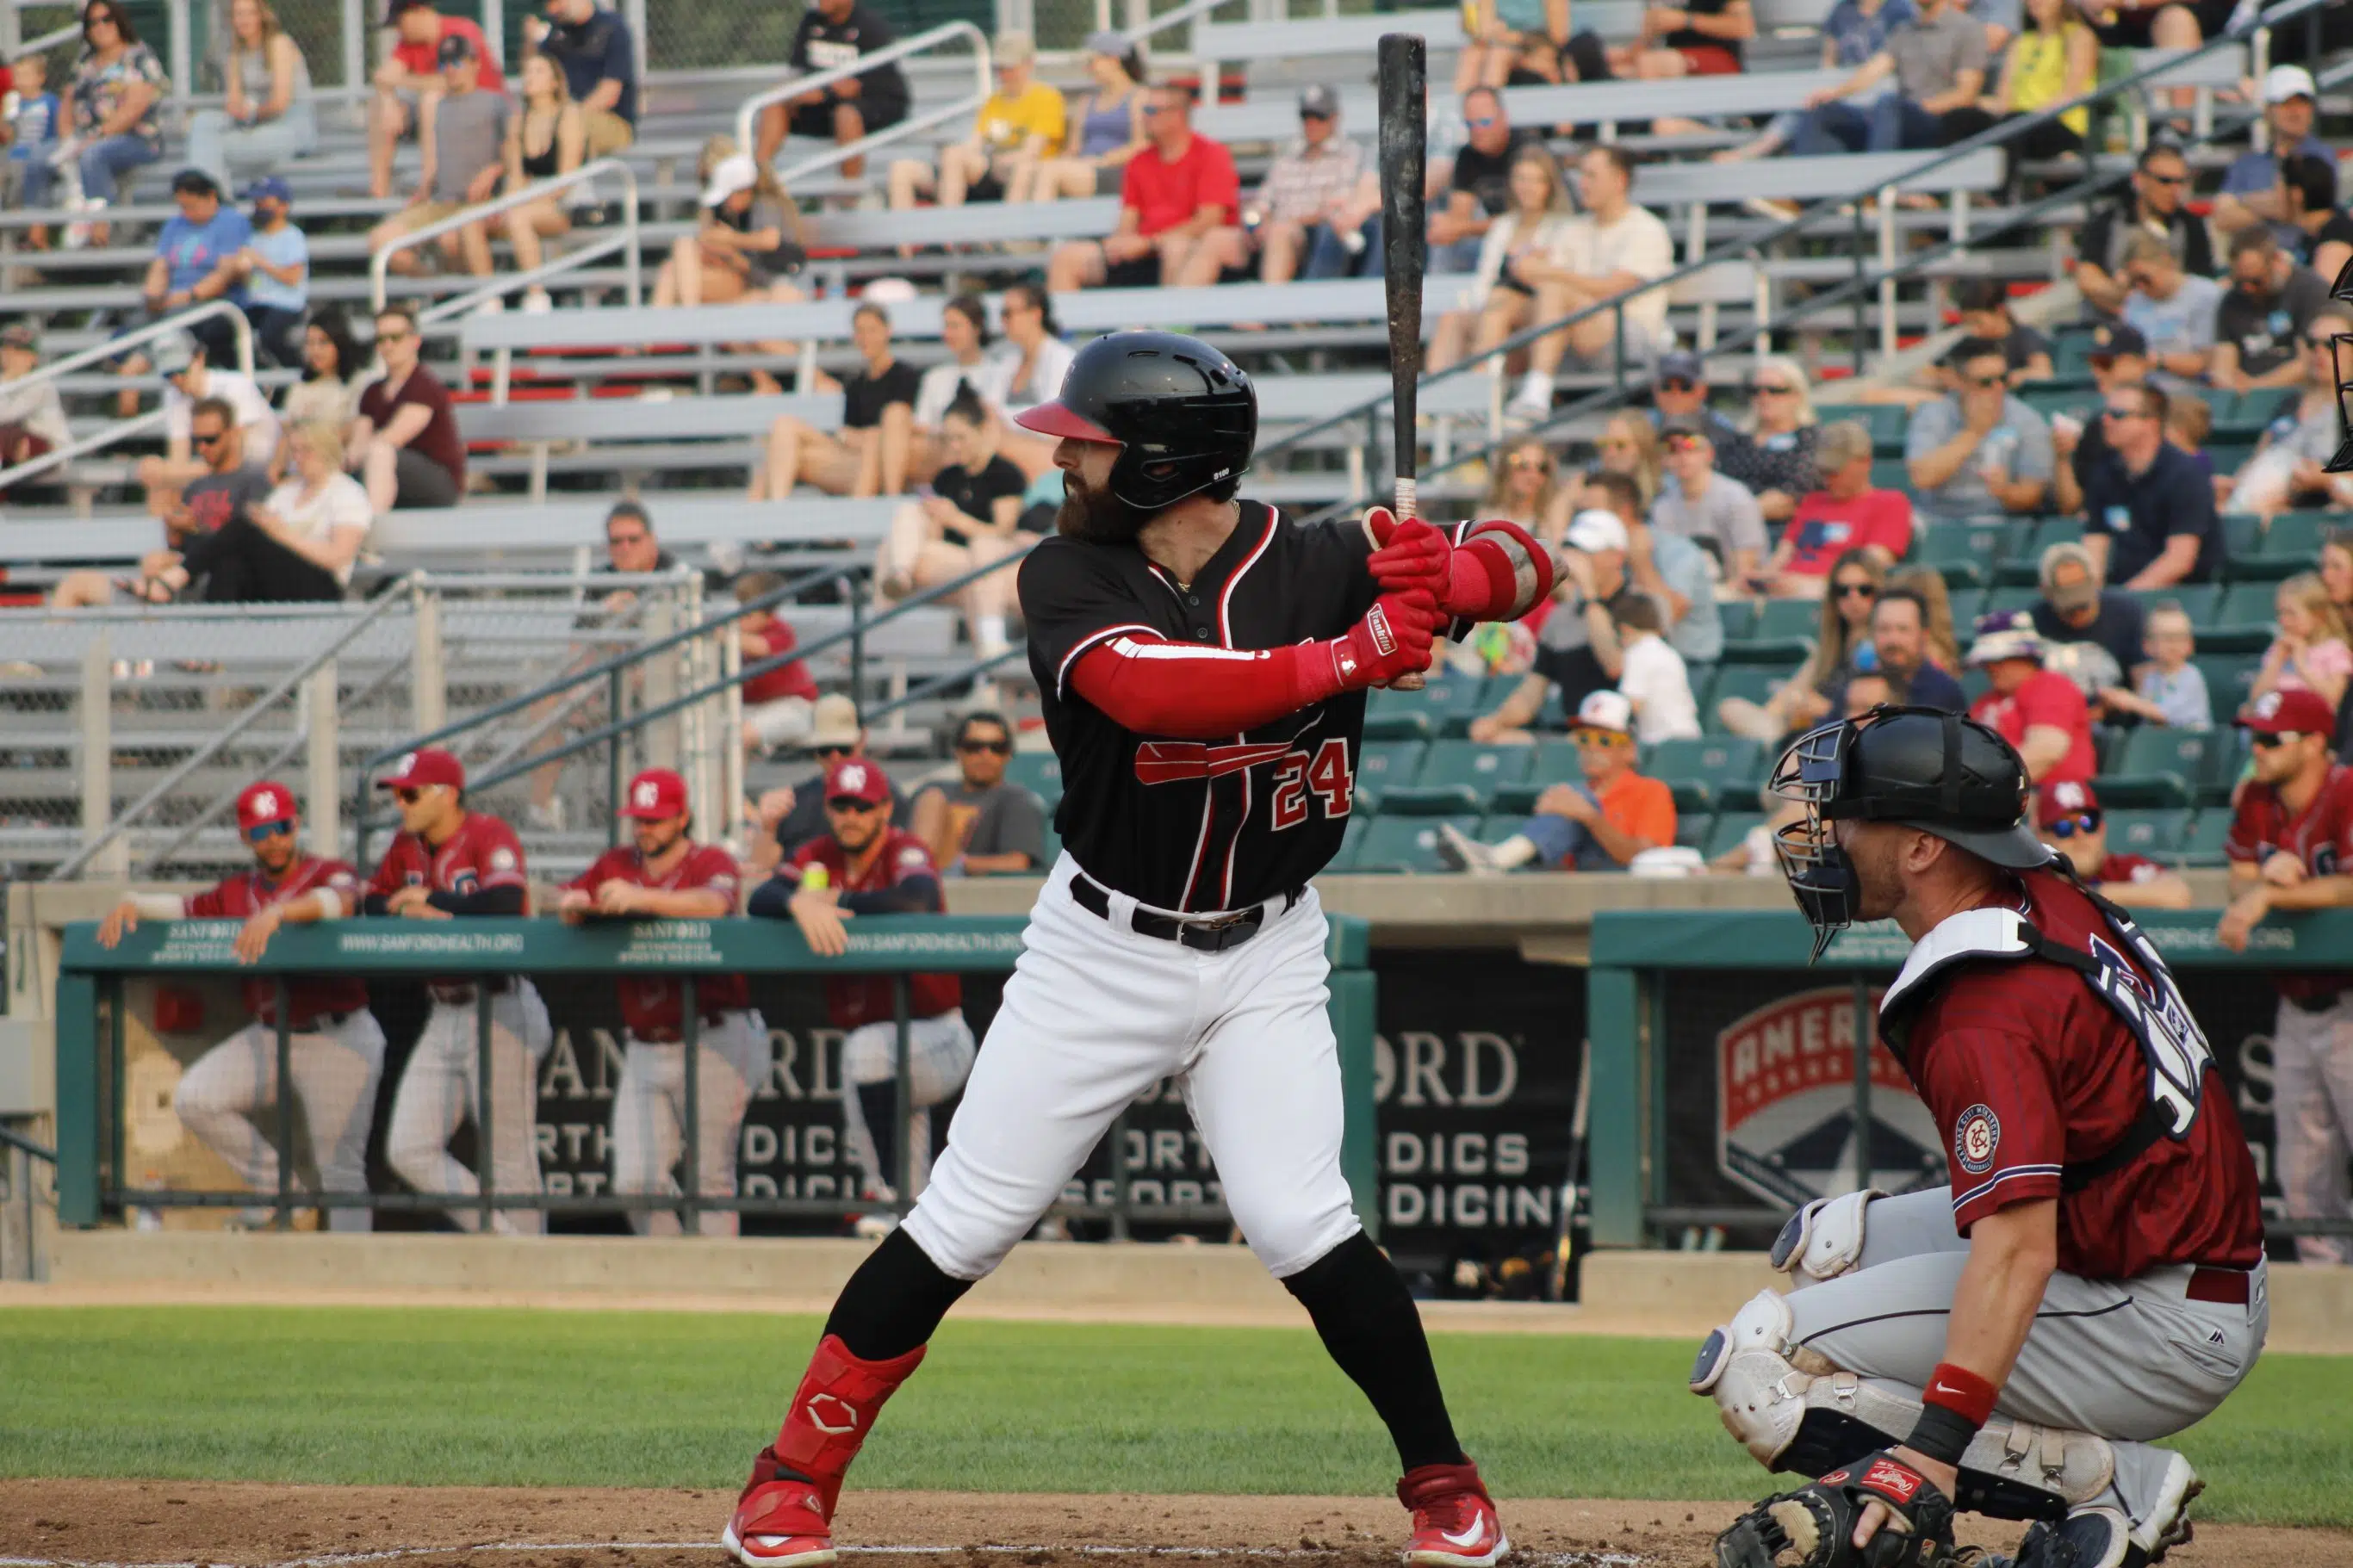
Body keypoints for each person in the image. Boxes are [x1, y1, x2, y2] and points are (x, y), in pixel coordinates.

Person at [719, 332, 1550, 1568]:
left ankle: (1445, 1483)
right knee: (965, 1221)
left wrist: (1459, 580)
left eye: (1087, 440)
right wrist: (1357, 654)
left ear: (1164, 463)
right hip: (1100, 948)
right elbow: (1160, 693)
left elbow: (1536, 564)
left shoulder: (1323, 555)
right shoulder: (1066, 574)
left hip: (1267, 949)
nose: (1062, 454)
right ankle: (789, 1479)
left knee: (1300, 1219)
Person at [1703, 707, 2260, 1568]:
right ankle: (2080, 1480)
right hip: (2158, 1244)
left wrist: (1930, 1450)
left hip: (2154, 1307)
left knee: (1757, 1369)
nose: (1828, 834)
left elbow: (2015, 1253)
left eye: (1850, 814)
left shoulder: (1983, 1004)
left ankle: (2105, 1485)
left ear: (1922, 847)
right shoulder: (2042, 895)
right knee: (1828, 1241)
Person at [94, 781, 381, 1232]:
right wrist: (135, 903)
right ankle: (281, 1192)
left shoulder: (329, 870)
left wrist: (280, 914)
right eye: (262, 830)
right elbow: (186, 908)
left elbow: (344, 900)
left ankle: (360, 1285)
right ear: (245, 837)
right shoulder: (237, 891)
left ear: (296, 825)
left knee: (340, 1168)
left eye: (282, 827)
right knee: (196, 1098)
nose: (274, 840)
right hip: (271, 1034)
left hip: (338, 1035)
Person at [748, 755, 978, 1213]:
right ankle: (903, 1213)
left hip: (938, 1035)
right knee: (868, 1067)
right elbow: (760, 898)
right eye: (842, 806)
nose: (851, 817)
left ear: (885, 809)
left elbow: (918, 899)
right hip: (880, 1042)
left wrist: (836, 899)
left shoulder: (904, 848)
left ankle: (889, 1195)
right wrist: (800, 904)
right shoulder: (818, 854)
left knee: (864, 1052)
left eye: (862, 806)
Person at [558, 768, 764, 1237]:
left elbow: (717, 903)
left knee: (711, 1179)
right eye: (639, 819)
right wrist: (574, 903)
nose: (645, 828)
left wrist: (640, 898)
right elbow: (566, 894)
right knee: (635, 1182)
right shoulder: (616, 862)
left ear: (683, 818)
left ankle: (718, 1294)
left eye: (656, 819)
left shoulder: (710, 858)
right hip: (647, 1041)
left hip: (716, 1033)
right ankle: (680, 1275)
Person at [366, 747, 550, 1236]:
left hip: (501, 1003)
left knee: (511, 1157)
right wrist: (407, 911)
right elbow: (372, 901)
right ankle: (510, 1246)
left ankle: (536, 1274)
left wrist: (436, 905)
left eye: (410, 794)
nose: (400, 804)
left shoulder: (488, 833)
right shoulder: (403, 846)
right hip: (443, 1008)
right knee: (408, 1149)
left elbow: (508, 901)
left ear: (448, 795)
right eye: (397, 795)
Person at [2219, 685, 2353, 1263]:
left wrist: (2272, 894)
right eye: (2255, 736)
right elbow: (2236, 876)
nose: (2260, 748)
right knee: (2302, 1176)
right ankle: (2328, 1311)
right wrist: (2265, 882)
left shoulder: (2346, 789)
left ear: (2317, 741)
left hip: (2349, 1000)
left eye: (2273, 738)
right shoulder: (2256, 794)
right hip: (2295, 1005)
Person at [1504, 146, 1676, 420]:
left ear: (1619, 181)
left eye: (1591, 176)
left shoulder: (1646, 229)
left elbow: (1612, 289)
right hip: (1574, 330)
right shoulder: (1574, 227)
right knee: (1500, 305)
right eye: (1581, 175)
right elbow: (1533, 275)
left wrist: (1549, 273)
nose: (1582, 184)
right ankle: (1478, 400)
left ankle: (1536, 391)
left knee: (1554, 292)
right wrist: (1526, 263)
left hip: (1627, 336)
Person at [1440, 689, 1675, 873]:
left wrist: (1589, 817)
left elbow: (1644, 860)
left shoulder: (1651, 791)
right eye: (1584, 738)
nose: (1591, 747)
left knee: (1577, 798)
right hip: (1577, 890)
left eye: (1604, 739)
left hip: (1620, 886)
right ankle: (1498, 861)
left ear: (1629, 750)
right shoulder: (1571, 796)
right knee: (1570, 797)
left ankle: (1496, 860)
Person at [1045, 83, 1241, 294]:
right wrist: (1120, 242)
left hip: (1190, 252)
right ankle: (1069, 326)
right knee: (1067, 258)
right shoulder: (1139, 162)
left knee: (1176, 247)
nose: (1143, 118)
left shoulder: (1211, 154)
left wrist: (1150, 243)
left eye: (1149, 111)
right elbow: (1129, 218)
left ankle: (1171, 325)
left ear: (1177, 115)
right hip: (1144, 252)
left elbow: (1210, 220)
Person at [145, 417, 366, 604]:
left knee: (245, 526)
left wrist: (283, 534)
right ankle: (211, 648)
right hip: (279, 582)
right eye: (294, 451)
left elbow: (338, 557)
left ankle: (178, 576)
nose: (298, 458)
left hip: (323, 587)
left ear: (325, 449)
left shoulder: (346, 493)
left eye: (305, 451)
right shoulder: (287, 492)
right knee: (228, 565)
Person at [878, 387, 1031, 658]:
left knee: (984, 550)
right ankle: (898, 578)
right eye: (949, 440)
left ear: (983, 431)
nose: (955, 446)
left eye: (961, 438)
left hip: (992, 564)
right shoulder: (948, 476)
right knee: (908, 514)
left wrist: (956, 519)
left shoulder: (1005, 474)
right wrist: (935, 516)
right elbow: (936, 534)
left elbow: (1003, 533)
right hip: (952, 562)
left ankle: (989, 645)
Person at [1470, 508, 1645, 741]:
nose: (1578, 560)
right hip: (1573, 735)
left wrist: (1590, 593)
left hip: (1619, 734)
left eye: (1587, 553)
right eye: (1574, 552)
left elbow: (1613, 664)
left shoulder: (1641, 605)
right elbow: (1532, 692)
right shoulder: (1562, 617)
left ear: (1617, 557)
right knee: (1500, 739)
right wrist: (1495, 722)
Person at [368, 33, 511, 287]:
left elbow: (516, 155)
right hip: (441, 203)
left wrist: (494, 170)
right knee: (381, 240)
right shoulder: (434, 105)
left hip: (479, 204)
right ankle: (438, 289)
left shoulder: (495, 103)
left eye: (457, 62)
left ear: (475, 64)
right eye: (443, 64)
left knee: (453, 238)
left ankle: (475, 298)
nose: (450, 70)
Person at [1426, 143, 1575, 376]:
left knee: (1500, 302)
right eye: (1522, 179)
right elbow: (1485, 280)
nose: (1528, 188)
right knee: (1453, 318)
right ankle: (1438, 395)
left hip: (1538, 316)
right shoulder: (1503, 226)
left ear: (1549, 185)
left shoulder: (1564, 228)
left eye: (1537, 180)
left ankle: (1482, 384)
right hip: (1497, 314)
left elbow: (1560, 281)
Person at [1713, 0, 1915, 163]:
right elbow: (1829, 60)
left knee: (1882, 100)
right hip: (1844, 92)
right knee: (1809, 104)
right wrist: (1832, 89)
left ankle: (1760, 152)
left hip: (1878, 92)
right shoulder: (1842, 11)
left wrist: (1840, 90)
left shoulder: (1898, 10)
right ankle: (1768, 158)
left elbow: (1885, 65)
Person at [753, 301, 916, 501]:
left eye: (872, 330)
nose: (865, 338)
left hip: (882, 457)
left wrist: (863, 437)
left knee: (875, 441)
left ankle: (869, 514)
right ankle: (776, 507)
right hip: (853, 453)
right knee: (783, 426)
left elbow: (904, 425)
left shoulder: (905, 375)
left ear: (887, 331)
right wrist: (856, 438)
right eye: (860, 331)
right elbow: (848, 431)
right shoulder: (857, 382)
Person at [1718, 548, 1885, 742]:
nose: (1853, 598)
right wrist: (1794, 705)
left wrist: (1824, 708)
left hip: (1848, 732)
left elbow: (1872, 709)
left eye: (1864, 590)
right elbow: (1783, 701)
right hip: (1808, 728)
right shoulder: (1830, 647)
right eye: (1843, 591)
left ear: (1879, 591)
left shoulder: (1882, 646)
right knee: (1731, 707)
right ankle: (1775, 743)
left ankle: (1778, 745)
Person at [888, 34, 1060, 214]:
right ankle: (905, 240)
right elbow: (976, 143)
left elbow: (1032, 152)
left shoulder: (1046, 97)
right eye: (1000, 68)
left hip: (1018, 169)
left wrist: (987, 159)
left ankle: (948, 231)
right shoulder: (994, 101)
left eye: (1010, 68)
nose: (1004, 75)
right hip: (989, 167)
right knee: (903, 169)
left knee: (958, 157)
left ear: (1028, 64)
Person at [1790, 0, 1990, 155]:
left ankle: (1872, 189)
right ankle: (1806, 196)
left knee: (1888, 105)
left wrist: (1923, 107)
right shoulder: (1903, 30)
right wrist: (1834, 93)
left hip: (1938, 120)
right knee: (1823, 111)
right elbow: (1874, 69)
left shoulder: (1966, 28)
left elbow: (1966, 93)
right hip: (1898, 115)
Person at [748, 694, 914, 871]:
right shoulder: (793, 802)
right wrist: (767, 828)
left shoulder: (886, 797)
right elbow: (760, 869)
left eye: (844, 748)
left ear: (862, 740)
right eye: (825, 749)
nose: (835, 757)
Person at [2081, 381, 2217, 589]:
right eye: (2105, 414)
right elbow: (2095, 545)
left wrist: (2122, 600)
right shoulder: (2106, 473)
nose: (2106, 421)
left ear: (2150, 422)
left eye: (2117, 415)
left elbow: (2179, 560)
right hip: (2125, 588)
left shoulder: (2185, 474)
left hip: (2183, 595)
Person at [47, 2, 167, 238]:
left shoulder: (139, 56)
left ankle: (101, 231)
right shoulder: (84, 61)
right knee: (38, 158)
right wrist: (67, 140)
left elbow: (134, 109)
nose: (100, 27)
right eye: (92, 22)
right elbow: (67, 102)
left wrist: (94, 138)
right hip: (86, 138)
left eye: (107, 19)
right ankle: (34, 237)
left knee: (94, 155)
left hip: (137, 139)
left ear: (119, 21)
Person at [1230, 85, 1369, 287]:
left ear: (1334, 118)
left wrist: (1281, 223)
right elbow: (1262, 201)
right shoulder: (1287, 158)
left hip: (1318, 235)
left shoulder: (1350, 155)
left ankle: (1268, 309)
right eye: (1307, 117)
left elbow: (1336, 208)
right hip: (1275, 231)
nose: (1312, 124)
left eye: (1319, 117)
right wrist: (1257, 223)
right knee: (1217, 240)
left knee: (1281, 233)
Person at [1904, 338, 2055, 523]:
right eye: (1986, 382)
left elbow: (2032, 494)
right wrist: (1974, 432)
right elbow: (1922, 477)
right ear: (1958, 382)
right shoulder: (1933, 413)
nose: (1998, 388)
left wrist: (2005, 491)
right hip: (1934, 516)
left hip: (1997, 518)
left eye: (2003, 379)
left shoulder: (2027, 420)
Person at [759, 0, 911, 183]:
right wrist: (800, 92)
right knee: (775, 103)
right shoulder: (811, 21)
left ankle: (849, 194)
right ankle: (756, 178)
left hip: (876, 104)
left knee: (846, 114)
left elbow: (859, 87)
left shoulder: (869, 26)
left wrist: (823, 92)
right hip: (827, 102)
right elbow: (799, 71)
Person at [369, 0, 506, 202]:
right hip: (448, 114)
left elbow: (453, 81)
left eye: (400, 22)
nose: (398, 30)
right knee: (379, 105)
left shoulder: (460, 30)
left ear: (419, 12)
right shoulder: (409, 43)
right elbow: (383, 76)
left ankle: (430, 183)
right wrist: (388, 98)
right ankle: (378, 190)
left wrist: (399, 81)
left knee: (431, 100)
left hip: (483, 110)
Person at [1586, 468, 1723, 666]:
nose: (1583, 522)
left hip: (1688, 665)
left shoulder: (1678, 551)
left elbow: (1668, 615)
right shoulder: (1598, 553)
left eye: (1593, 513)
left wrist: (1642, 563)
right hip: (1623, 663)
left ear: (1624, 512)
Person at [2226, 310, 2353, 518]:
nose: (2319, 352)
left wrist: (2325, 480)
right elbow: (2261, 457)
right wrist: (2235, 484)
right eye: (2312, 344)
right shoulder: (2288, 404)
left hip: (2325, 511)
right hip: (2273, 504)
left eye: (2331, 345)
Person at [1764, 420, 1910, 597]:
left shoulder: (1890, 503)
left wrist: (1805, 584)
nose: (1827, 478)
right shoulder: (1812, 501)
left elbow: (1869, 568)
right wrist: (1762, 580)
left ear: (1865, 462)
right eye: (1822, 470)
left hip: (1838, 593)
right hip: (1786, 588)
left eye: (1834, 470)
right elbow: (1781, 557)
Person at [185, 0, 317, 197]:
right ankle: (214, 201)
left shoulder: (278, 43)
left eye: (248, 14)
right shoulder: (235, 53)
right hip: (254, 126)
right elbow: (234, 101)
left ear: (261, 16)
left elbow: (280, 103)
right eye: (238, 14)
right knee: (202, 123)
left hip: (289, 130)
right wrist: (239, 110)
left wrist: (252, 112)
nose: (242, 20)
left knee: (211, 148)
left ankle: (214, 203)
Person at [654, 148, 809, 315]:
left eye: (727, 197)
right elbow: (720, 247)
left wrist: (729, 239)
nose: (725, 205)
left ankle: (687, 321)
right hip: (748, 282)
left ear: (744, 191)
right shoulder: (741, 213)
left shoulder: (765, 206)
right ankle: (671, 327)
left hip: (771, 286)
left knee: (676, 267)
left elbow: (769, 241)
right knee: (673, 264)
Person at [2074, 143, 2213, 318]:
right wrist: (2130, 296)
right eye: (2165, 181)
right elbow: (2088, 278)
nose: (2174, 190)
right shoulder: (2110, 221)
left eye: (2181, 182)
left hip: (2174, 323)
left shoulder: (2191, 225)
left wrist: (2164, 282)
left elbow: (2203, 286)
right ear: (2139, 180)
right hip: (2113, 318)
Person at [131, 169, 254, 366]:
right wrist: (153, 296)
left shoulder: (231, 222)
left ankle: (142, 359)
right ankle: (124, 361)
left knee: (165, 324)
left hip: (210, 301)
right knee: (135, 323)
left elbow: (224, 274)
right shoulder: (174, 225)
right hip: (173, 301)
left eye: (191, 206)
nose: (186, 212)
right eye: (182, 207)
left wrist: (183, 298)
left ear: (211, 196)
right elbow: (160, 267)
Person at [350, 303, 464, 511]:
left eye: (396, 337)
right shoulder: (372, 392)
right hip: (389, 478)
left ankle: (373, 525)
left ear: (415, 340)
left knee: (380, 451)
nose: (388, 345)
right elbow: (357, 447)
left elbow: (393, 438)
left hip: (437, 482)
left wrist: (360, 454)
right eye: (381, 339)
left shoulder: (425, 386)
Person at [910, 711, 1048, 877]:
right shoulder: (933, 791)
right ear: (958, 751)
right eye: (974, 747)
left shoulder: (1017, 799)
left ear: (1008, 754)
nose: (986, 755)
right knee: (932, 798)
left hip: (983, 895)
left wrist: (957, 865)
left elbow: (1017, 863)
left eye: (996, 748)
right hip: (927, 884)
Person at [1966, 612, 2095, 786]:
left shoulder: (2050, 686)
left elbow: (2045, 751)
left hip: (2053, 799)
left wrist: (1985, 790)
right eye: (1987, 660)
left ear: (2026, 655)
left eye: (1999, 659)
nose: (1991, 667)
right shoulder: (1985, 702)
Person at [500, 54, 584, 313]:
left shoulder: (569, 114)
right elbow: (515, 176)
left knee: (517, 218)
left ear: (555, 82)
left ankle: (536, 295)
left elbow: (565, 180)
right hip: (530, 200)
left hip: (566, 202)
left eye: (538, 71)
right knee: (475, 222)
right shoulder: (518, 121)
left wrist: (519, 201)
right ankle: (487, 299)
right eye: (527, 71)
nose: (530, 77)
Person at [2211, 65, 2331, 245]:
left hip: (2307, 258)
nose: (2295, 111)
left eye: (2302, 102)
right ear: (2268, 110)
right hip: (2260, 261)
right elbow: (2222, 217)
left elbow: (2291, 209)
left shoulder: (2323, 158)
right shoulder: (2247, 164)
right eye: (2286, 103)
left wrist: (2244, 202)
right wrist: (2273, 206)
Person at [1026, 31, 1146, 205]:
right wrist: (1063, 161)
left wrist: (1103, 160)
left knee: (1050, 172)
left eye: (1092, 62)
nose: (1087, 69)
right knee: (1031, 170)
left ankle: (1033, 230)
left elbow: (1141, 145)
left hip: (1117, 172)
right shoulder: (1086, 102)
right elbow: (1074, 148)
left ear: (1113, 60)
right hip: (1084, 169)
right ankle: (1013, 227)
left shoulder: (1138, 97)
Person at [2209, 228, 2331, 394]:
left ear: (2277, 261)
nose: (2247, 288)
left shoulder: (2310, 291)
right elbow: (2223, 357)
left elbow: (2308, 362)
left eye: (2256, 281)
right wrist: (2227, 382)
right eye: (2240, 281)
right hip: (2244, 396)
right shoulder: (2232, 300)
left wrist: (2256, 386)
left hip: (2297, 394)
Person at [1986, 0, 2093, 188]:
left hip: (2061, 124)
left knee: (2015, 122)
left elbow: (2072, 93)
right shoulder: (2021, 43)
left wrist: (2031, 115)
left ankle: (2002, 194)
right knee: (1963, 119)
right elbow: (2003, 99)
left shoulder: (2078, 36)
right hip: (2018, 123)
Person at [1650, 419, 1767, 588]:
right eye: (1672, 449)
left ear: (1709, 453)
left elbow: (1747, 570)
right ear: (1663, 459)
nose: (1682, 456)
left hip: (1733, 595)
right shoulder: (1662, 507)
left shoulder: (1736, 498)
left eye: (1691, 445)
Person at [909, 294, 1011, 478]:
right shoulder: (935, 377)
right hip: (939, 452)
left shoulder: (1000, 373)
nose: (948, 334)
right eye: (946, 326)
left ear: (977, 327)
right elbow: (922, 425)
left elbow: (994, 420)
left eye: (955, 326)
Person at [1428, 88, 1525, 275]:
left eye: (1484, 121)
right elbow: (1460, 214)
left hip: (1531, 238)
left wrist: (1461, 227)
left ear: (1503, 118)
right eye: (1470, 123)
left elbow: (1528, 220)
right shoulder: (1468, 155)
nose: (1477, 130)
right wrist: (1447, 228)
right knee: (1443, 241)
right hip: (1494, 235)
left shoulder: (1525, 152)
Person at [525, 0, 636, 159]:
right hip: (563, 117)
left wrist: (569, 116)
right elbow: (534, 72)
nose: (554, 9)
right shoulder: (556, 32)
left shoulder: (612, 28)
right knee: (522, 125)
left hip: (612, 120)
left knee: (569, 126)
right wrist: (531, 41)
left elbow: (609, 93)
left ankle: (564, 182)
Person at [1719, 355, 1821, 523]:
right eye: (1756, 391)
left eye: (1775, 391)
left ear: (1796, 395)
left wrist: (1735, 515)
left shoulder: (1809, 439)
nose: (1764, 397)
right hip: (1733, 525)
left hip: (1786, 529)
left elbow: (1788, 497)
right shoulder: (1737, 439)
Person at [2116, 231, 2223, 388]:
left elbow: (2206, 362)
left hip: (2196, 393)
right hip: (2146, 393)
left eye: (2144, 278)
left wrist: (2156, 361)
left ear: (2165, 261)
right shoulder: (2134, 302)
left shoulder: (2205, 295)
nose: (2140, 286)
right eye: (2134, 281)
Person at [733, 572, 821, 758]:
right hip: (753, 707)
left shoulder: (780, 631)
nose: (741, 620)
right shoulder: (736, 634)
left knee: (740, 736)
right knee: (719, 735)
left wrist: (725, 635)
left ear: (770, 615)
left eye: (748, 614)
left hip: (794, 707)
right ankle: (727, 788)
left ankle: (729, 788)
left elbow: (761, 647)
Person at [2032, 541, 2145, 679]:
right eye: (2069, 609)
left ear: (2096, 582)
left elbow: (2144, 675)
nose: (2077, 613)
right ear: (2045, 592)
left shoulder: (2126, 613)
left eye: (2083, 606)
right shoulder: (2034, 622)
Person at [228, 176, 308, 369]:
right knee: (225, 330)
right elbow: (248, 280)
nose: (258, 206)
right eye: (256, 202)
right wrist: (241, 269)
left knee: (270, 335)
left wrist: (261, 262)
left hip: (286, 304)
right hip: (257, 303)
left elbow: (292, 277)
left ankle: (295, 373)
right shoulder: (254, 239)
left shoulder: (293, 236)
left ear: (283, 206)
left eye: (264, 201)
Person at [2251, 571, 2353, 714]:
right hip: (2276, 721)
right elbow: (2255, 700)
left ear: (2317, 615)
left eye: (2291, 614)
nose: (2284, 621)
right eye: (2280, 613)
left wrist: (2301, 665)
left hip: (2318, 725)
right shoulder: (2279, 649)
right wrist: (2276, 661)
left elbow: (2337, 698)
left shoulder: (2334, 649)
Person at [1860, 585, 1968, 712]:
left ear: (1924, 635)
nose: (1893, 640)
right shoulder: (1857, 686)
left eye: (1903, 629)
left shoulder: (1943, 692)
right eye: (1884, 629)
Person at [2104, 601, 2211, 729]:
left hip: (2190, 744)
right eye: (2166, 637)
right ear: (2147, 645)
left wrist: (2130, 701)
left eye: (2180, 637)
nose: (2173, 644)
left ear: (2190, 644)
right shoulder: (2150, 678)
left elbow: (2164, 714)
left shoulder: (2192, 676)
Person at [1612, 594, 1701, 744]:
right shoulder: (1669, 652)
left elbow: (1632, 705)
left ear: (1624, 629)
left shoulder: (1637, 653)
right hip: (1690, 734)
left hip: (1662, 741)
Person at [1615, 0, 1757, 79]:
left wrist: (1686, 20)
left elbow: (1744, 27)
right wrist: (1622, 56)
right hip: (1673, 57)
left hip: (1720, 57)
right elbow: (1647, 40)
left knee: (1651, 62)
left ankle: (1654, 125)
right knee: (1619, 71)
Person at [1647, 349, 1749, 456]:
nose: (1675, 394)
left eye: (1685, 387)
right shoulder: (1641, 426)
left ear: (1702, 390)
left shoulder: (1722, 429)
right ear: (1655, 389)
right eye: (1666, 387)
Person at [0, 323, 68, 479]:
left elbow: (8, 414)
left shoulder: (41, 385)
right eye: (6, 348)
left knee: (10, 436)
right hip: (13, 450)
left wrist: (8, 379)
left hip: (49, 449)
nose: (9, 355)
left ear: (32, 358)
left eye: (18, 350)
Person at [282, 311, 366, 436]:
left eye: (323, 342)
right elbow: (288, 436)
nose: (315, 351)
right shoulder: (299, 388)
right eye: (310, 343)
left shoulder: (358, 383)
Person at [3, 52, 61, 221]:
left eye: (26, 75)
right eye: (17, 76)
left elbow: (57, 130)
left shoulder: (50, 101)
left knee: (22, 170)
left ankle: (20, 212)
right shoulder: (12, 103)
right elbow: (9, 135)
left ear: (40, 77)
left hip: (39, 151)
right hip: (14, 152)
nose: (20, 80)